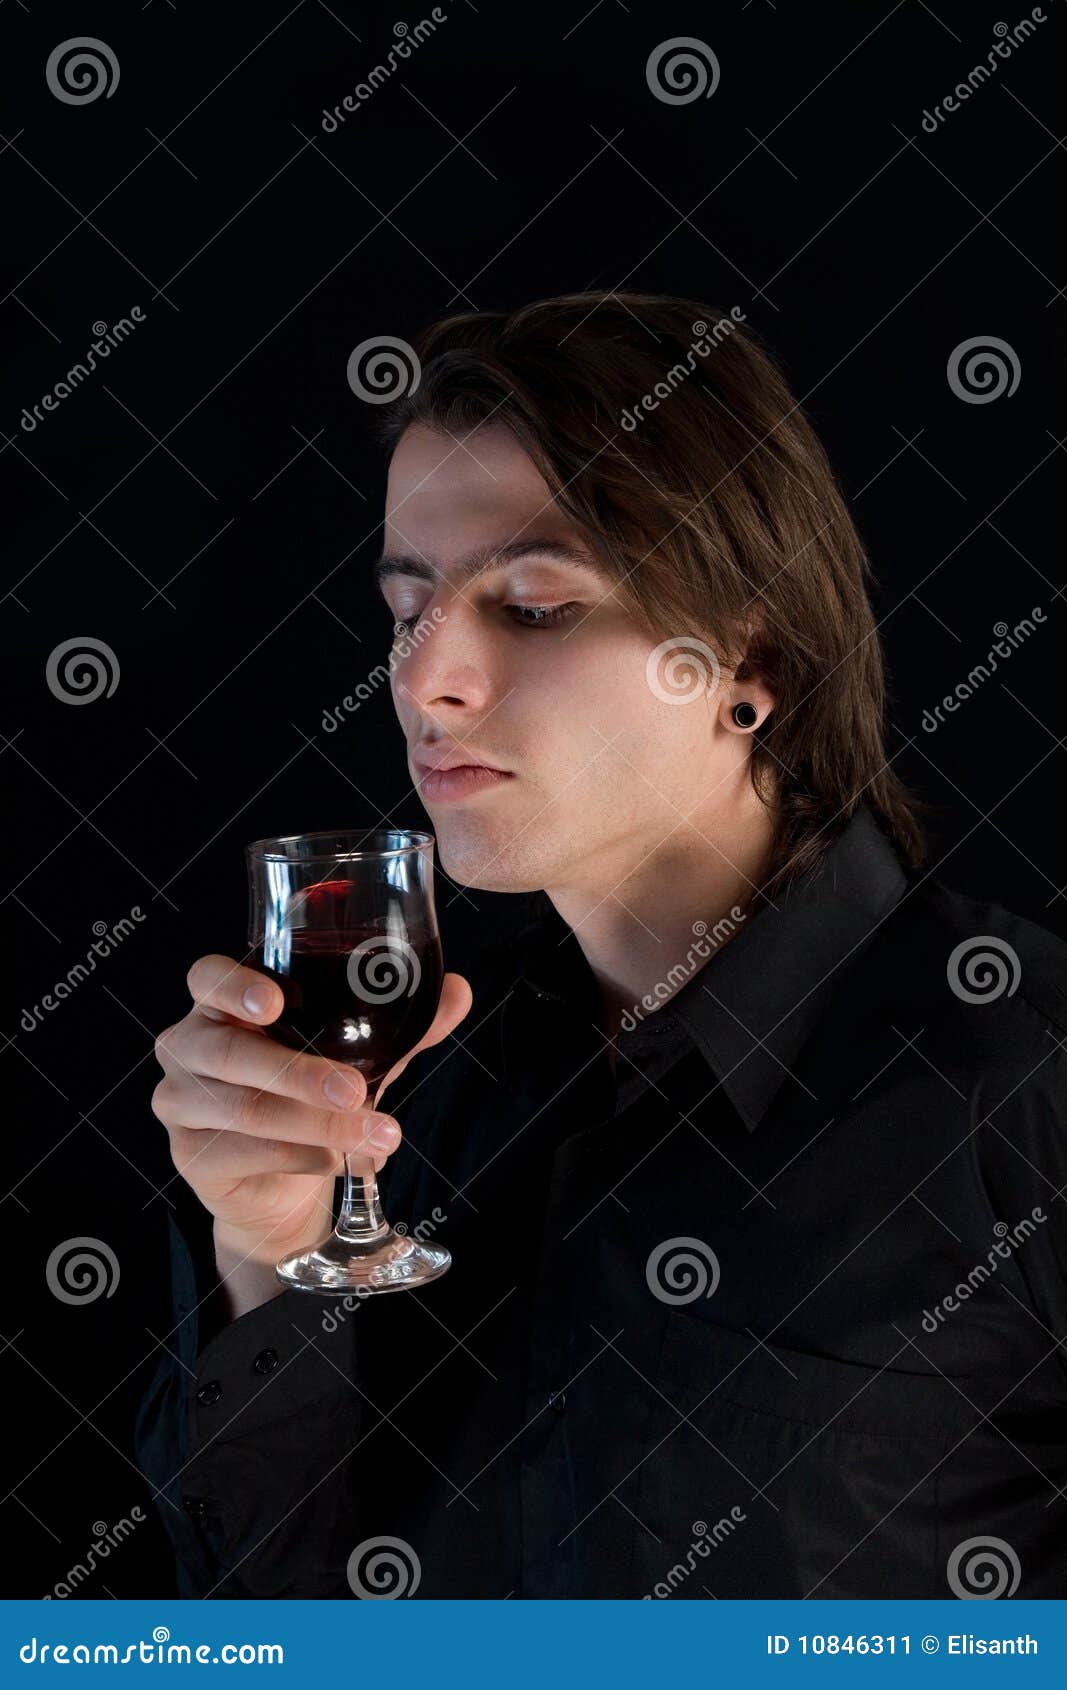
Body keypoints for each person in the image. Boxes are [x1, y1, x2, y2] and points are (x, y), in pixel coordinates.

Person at [136, 292, 1067, 1599]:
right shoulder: (411, 1101)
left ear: (749, 662)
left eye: (531, 606)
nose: (424, 678)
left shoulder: (1023, 1074)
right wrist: (267, 1256)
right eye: (407, 607)